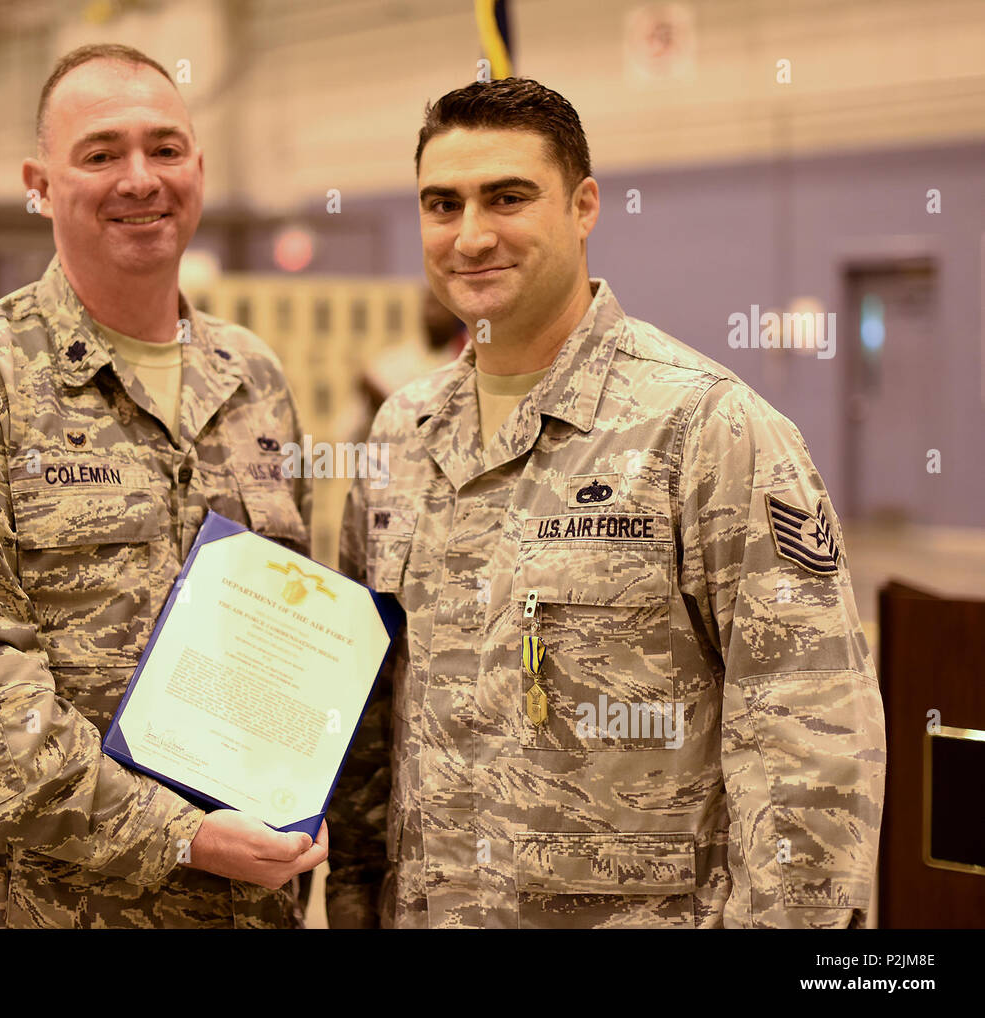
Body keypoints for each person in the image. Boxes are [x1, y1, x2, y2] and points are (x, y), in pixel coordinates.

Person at [327, 77, 885, 928]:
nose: (471, 235)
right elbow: (368, 711)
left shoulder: (704, 427)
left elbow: (811, 741)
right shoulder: (401, 434)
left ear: (583, 206)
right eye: (442, 205)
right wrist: (354, 895)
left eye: (507, 197)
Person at [0, 43, 326, 929]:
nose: (140, 179)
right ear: (40, 184)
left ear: (200, 166)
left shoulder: (254, 379)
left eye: (165, 148)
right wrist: (181, 836)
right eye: (102, 153)